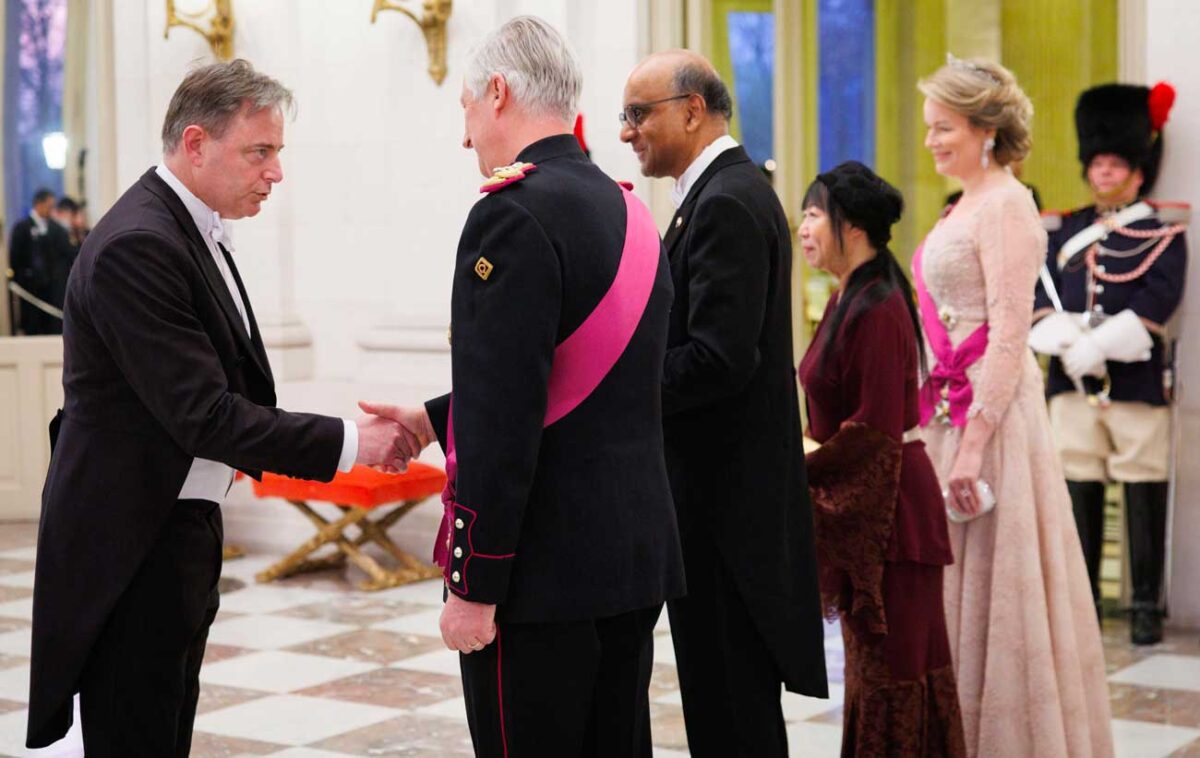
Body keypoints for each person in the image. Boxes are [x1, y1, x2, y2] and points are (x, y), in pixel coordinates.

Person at [27, 59, 413, 756]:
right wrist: (355, 443)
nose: (276, 173)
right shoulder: (139, 244)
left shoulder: (184, 226)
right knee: (136, 733)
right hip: (130, 543)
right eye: (259, 152)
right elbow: (204, 413)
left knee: (166, 725)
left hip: (176, 525)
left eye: (278, 153)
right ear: (196, 143)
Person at [364, 17, 684, 757]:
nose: (466, 136)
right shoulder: (628, 209)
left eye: (467, 109)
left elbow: (507, 420)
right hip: (630, 559)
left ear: (499, 93)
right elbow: (582, 380)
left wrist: (474, 584)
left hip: (542, 576)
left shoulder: (510, 217)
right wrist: (434, 418)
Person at [618, 49, 827, 757]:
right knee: (719, 707)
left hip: (727, 513)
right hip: (714, 505)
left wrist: (616, 389)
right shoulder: (715, 195)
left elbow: (719, 360)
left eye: (638, 113)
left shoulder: (729, 201)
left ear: (692, 109)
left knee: (734, 714)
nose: (626, 131)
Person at [914, 56, 1114, 756]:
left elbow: (1008, 332)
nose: (933, 140)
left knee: (997, 591)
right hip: (947, 414)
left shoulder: (1007, 204)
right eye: (930, 128)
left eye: (945, 127)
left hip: (990, 421)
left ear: (985, 129)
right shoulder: (965, 202)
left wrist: (974, 442)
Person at [798, 161, 965, 757]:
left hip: (895, 513)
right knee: (875, 676)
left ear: (855, 227)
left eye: (815, 214)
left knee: (895, 674)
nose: (805, 228)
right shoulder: (853, 296)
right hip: (883, 500)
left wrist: (794, 474)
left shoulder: (878, 306)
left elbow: (870, 433)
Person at [1030, 82, 1187, 645]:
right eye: (1096, 162)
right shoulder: (1064, 230)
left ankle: (1144, 604)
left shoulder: (1162, 231)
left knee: (1141, 484)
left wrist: (1102, 343)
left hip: (1135, 379)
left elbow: (1158, 299)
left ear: (1138, 169)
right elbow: (1040, 293)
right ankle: (1084, 601)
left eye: (1114, 162)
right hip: (1071, 379)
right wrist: (1065, 339)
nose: (1102, 172)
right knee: (1078, 485)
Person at [8, 187, 69, 335]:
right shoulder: (22, 228)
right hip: (31, 289)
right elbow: (16, 258)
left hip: (52, 291)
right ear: (39, 204)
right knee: (33, 326)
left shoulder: (57, 229)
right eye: (49, 206)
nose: (51, 210)